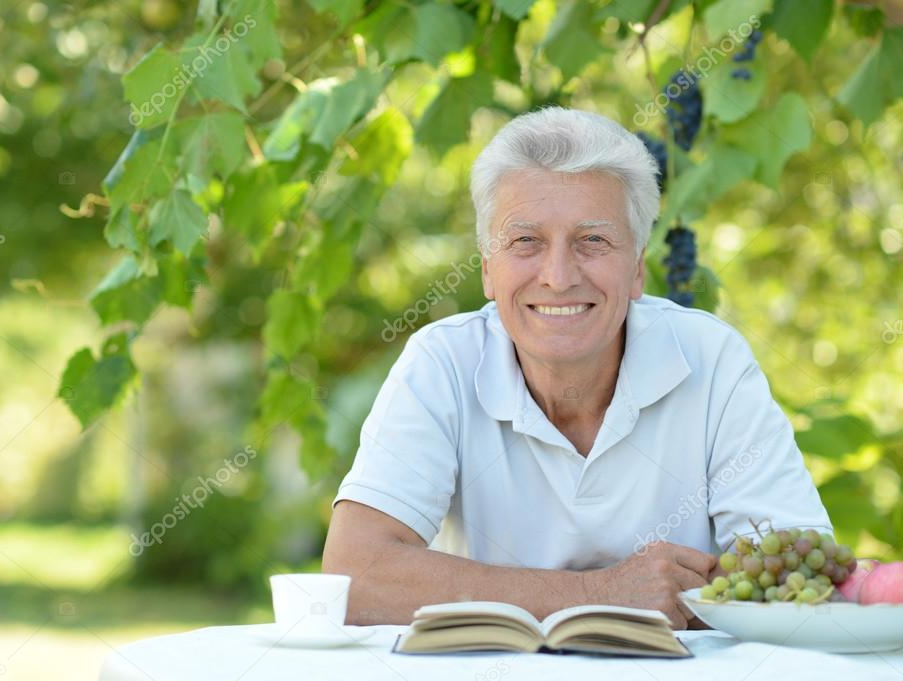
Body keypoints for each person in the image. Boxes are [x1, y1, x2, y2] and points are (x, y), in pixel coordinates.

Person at [321, 107, 832, 629]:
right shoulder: (442, 364)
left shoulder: (712, 360)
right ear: (487, 271)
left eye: (593, 240)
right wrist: (597, 593)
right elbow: (354, 579)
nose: (559, 277)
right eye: (525, 242)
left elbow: (796, 578)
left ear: (636, 269)